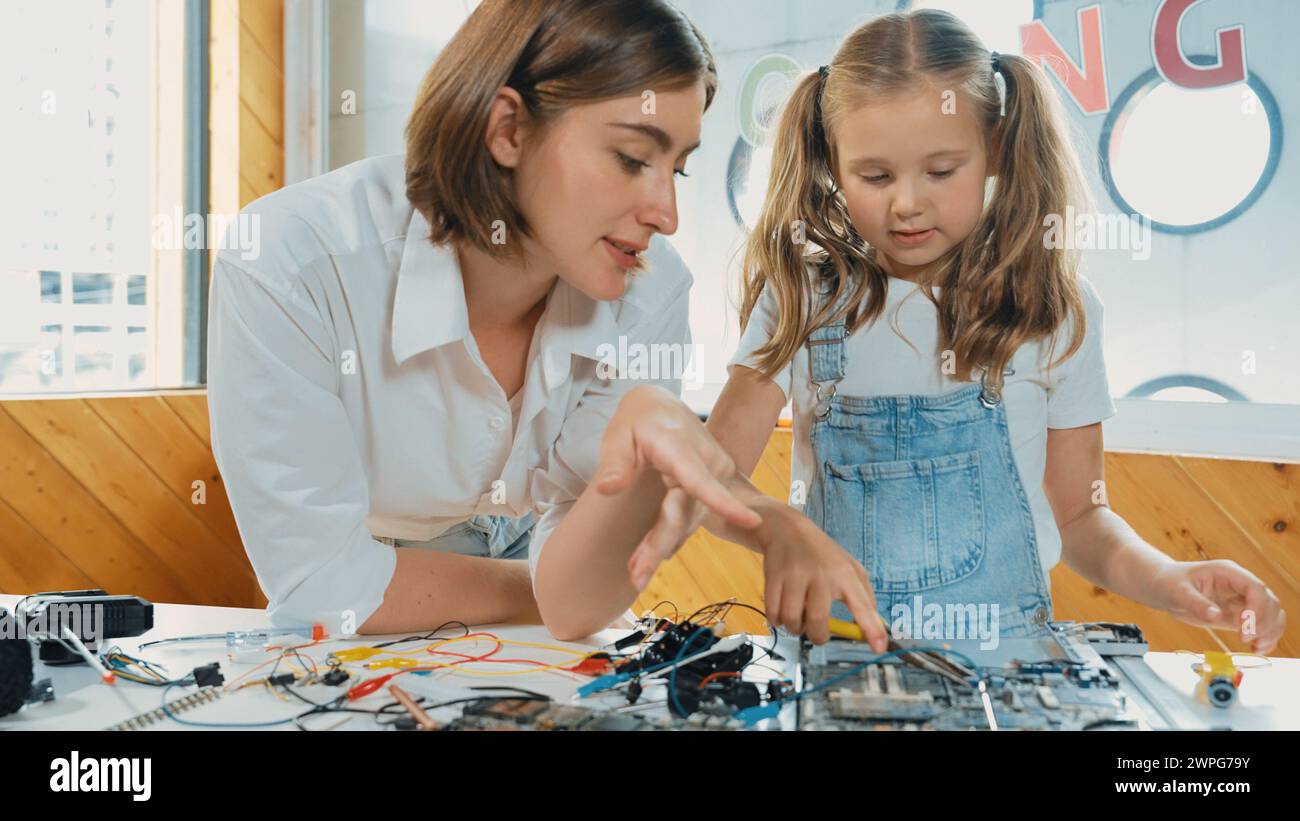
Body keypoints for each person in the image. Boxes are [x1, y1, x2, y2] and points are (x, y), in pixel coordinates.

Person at [208, 0, 885, 646]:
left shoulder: (650, 291)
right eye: (632, 158)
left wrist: (644, 447)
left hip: (515, 558)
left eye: (677, 169)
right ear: (508, 130)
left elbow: (577, 600)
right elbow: (322, 586)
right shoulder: (291, 261)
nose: (667, 214)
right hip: (383, 567)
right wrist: (541, 591)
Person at [623, 9, 1286, 652]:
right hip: (841, 664)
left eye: (941, 171)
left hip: (1009, 664)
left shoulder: (1053, 310)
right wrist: (780, 528)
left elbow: (1082, 519)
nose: (908, 202)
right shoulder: (801, 299)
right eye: (874, 176)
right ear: (832, 161)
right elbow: (712, 479)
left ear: (994, 149)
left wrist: (1170, 580)